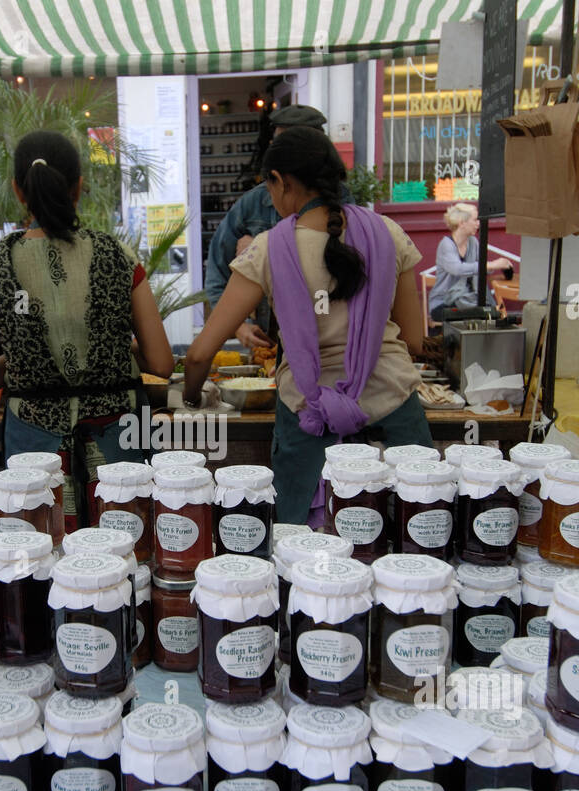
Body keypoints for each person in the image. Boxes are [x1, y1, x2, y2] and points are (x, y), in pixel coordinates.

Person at [183, 127, 430, 524]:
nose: (269, 198)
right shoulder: (389, 234)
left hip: (306, 419)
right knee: (412, 539)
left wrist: (193, 398)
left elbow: (198, 354)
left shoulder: (268, 248)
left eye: (269, 188)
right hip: (394, 410)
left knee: (305, 552)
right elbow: (416, 340)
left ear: (282, 182)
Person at [0, 130, 173, 528]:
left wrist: (21, 359)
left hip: (34, 448)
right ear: (79, 186)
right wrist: (118, 350)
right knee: (127, 551)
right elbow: (161, 363)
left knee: (40, 556)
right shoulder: (119, 256)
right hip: (118, 440)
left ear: (17, 191)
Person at [204, 104, 348, 351]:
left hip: (332, 348)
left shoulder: (346, 208)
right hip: (271, 347)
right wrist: (239, 325)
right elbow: (217, 273)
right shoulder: (253, 203)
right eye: (276, 144)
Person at [427, 202, 512, 324]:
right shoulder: (446, 245)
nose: (478, 223)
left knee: (493, 315)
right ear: (462, 223)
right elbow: (458, 269)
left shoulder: (473, 242)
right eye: (475, 220)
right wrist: (492, 264)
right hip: (444, 303)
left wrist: (500, 266)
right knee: (482, 315)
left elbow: (479, 268)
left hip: (469, 300)